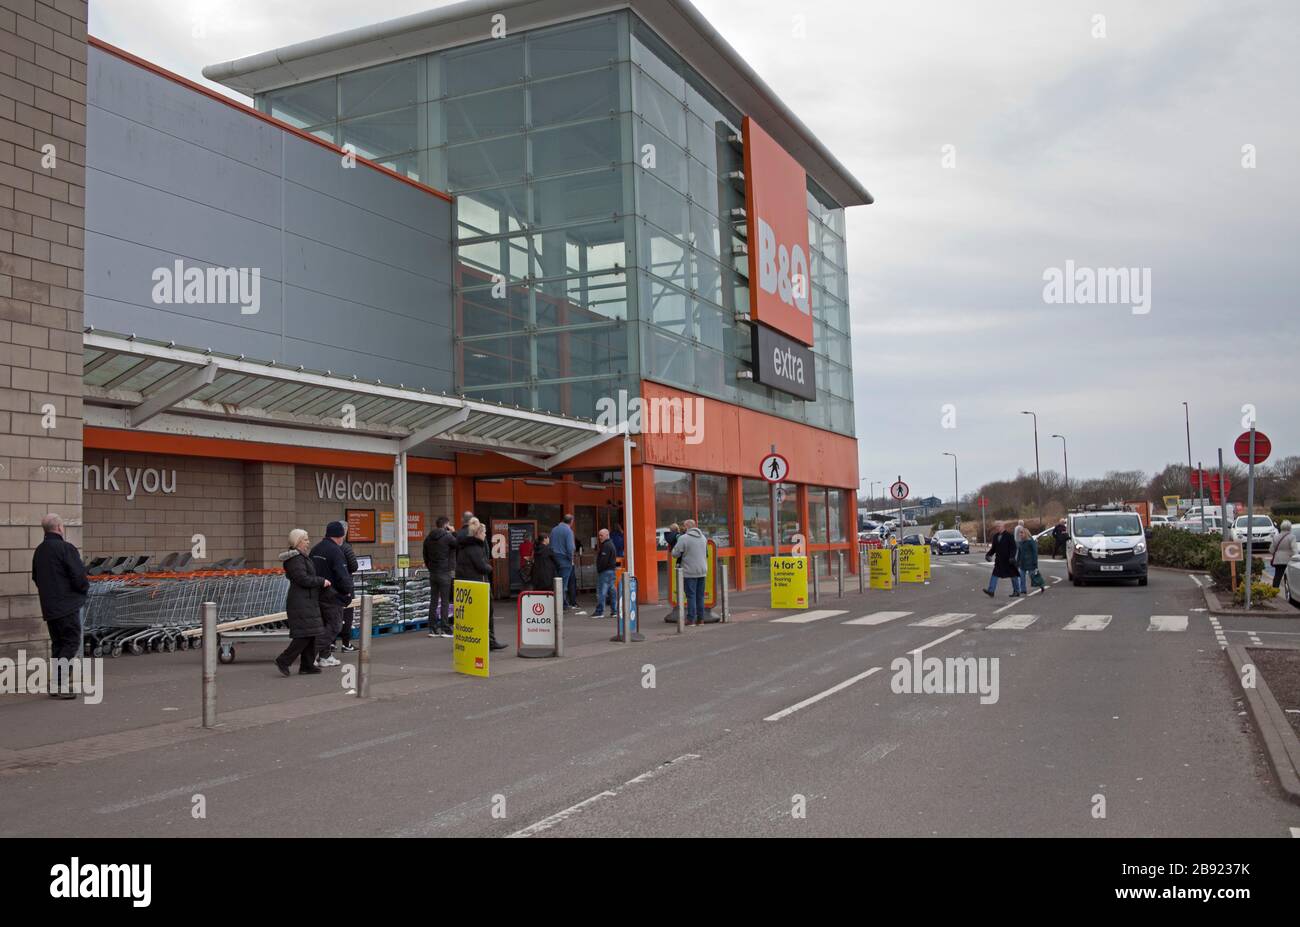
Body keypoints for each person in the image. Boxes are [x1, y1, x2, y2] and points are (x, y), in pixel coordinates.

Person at [31, 514, 89, 699]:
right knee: (71, 642)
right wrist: (81, 590)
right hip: (67, 605)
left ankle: (55, 683)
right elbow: (79, 576)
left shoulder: (39, 551)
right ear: (59, 527)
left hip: (49, 606)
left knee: (58, 644)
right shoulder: (66, 549)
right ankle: (62, 684)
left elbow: (35, 577)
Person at [276, 529, 330, 677]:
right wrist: (321, 581)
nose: (308, 542)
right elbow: (302, 579)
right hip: (300, 601)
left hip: (307, 599)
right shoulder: (295, 559)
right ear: (298, 541)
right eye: (305, 539)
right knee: (304, 635)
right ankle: (284, 660)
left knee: (312, 633)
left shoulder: (302, 557)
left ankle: (307, 665)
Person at [456, 518, 506, 651]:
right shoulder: (475, 548)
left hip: (468, 584)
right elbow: (482, 566)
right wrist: (490, 568)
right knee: (486, 614)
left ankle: (477, 639)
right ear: (478, 533)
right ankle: (489, 640)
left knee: (473, 616)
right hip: (479, 583)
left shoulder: (464, 546)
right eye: (484, 533)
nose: (485, 535)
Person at [310, 522, 355, 667]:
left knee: (324, 625)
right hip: (332, 594)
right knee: (335, 626)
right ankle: (310, 654)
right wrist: (348, 592)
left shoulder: (316, 549)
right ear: (340, 535)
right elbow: (342, 574)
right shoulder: (336, 551)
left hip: (317, 592)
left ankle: (325, 656)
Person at [423, 516, 458, 638]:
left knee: (433, 601)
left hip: (433, 572)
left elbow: (425, 556)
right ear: (446, 525)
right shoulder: (448, 537)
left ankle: (432, 629)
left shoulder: (428, 538)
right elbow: (459, 544)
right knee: (444, 601)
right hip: (445, 572)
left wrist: (431, 568)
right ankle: (445, 628)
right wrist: (453, 532)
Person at [671, 519, 708, 625]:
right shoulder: (703, 537)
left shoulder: (684, 538)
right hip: (702, 570)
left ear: (687, 527)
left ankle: (691, 618)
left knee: (691, 595)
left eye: (684, 526)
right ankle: (701, 619)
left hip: (689, 571)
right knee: (700, 595)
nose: (683, 528)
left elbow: (675, 554)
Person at [335, 526, 360, 653]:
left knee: (332, 614)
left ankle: (331, 643)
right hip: (345, 585)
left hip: (332, 586)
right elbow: (354, 566)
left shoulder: (326, 548)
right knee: (347, 614)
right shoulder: (346, 547)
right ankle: (346, 643)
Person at [982, 521, 1021, 598]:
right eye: (996, 526)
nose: (998, 528)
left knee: (1013, 575)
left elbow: (1014, 548)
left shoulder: (1009, 536)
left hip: (1009, 560)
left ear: (1003, 526)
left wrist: (1012, 557)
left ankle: (1017, 591)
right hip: (999, 560)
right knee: (995, 574)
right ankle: (991, 591)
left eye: (999, 526)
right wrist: (988, 554)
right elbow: (993, 548)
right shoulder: (995, 536)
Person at [550, 514, 579, 613]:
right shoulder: (568, 531)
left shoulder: (554, 530)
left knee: (556, 582)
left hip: (554, 559)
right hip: (565, 560)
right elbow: (570, 547)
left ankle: (562, 603)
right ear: (571, 521)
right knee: (564, 584)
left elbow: (551, 545)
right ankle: (561, 604)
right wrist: (571, 559)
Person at [593, 528, 619, 619]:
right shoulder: (610, 544)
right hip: (611, 571)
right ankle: (614, 611)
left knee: (601, 592)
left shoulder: (606, 546)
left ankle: (600, 611)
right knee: (612, 591)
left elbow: (604, 561)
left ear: (607, 535)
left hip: (605, 572)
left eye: (601, 535)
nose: (599, 537)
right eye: (599, 535)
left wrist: (599, 569)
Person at [1016, 525, 1043, 595]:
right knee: (1021, 577)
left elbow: (1035, 552)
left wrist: (1035, 563)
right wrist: (1017, 562)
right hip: (1022, 563)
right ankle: (1023, 590)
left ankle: (1041, 585)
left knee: (1033, 577)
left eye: (1022, 533)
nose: (1020, 534)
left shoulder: (1031, 542)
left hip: (1030, 563)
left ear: (1026, 534)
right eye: (1020, 533)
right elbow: (1019, 553)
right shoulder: (1020, 543)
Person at [1269, 521, 1294, 588]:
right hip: (1289, 560)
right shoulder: (1292, 537)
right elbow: (1295, 551)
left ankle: (1274, 589)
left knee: (1277, 575)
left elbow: (1271, 550)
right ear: (1289, 528)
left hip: (1278, 560)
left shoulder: (1275, 537)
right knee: (1291, 577)